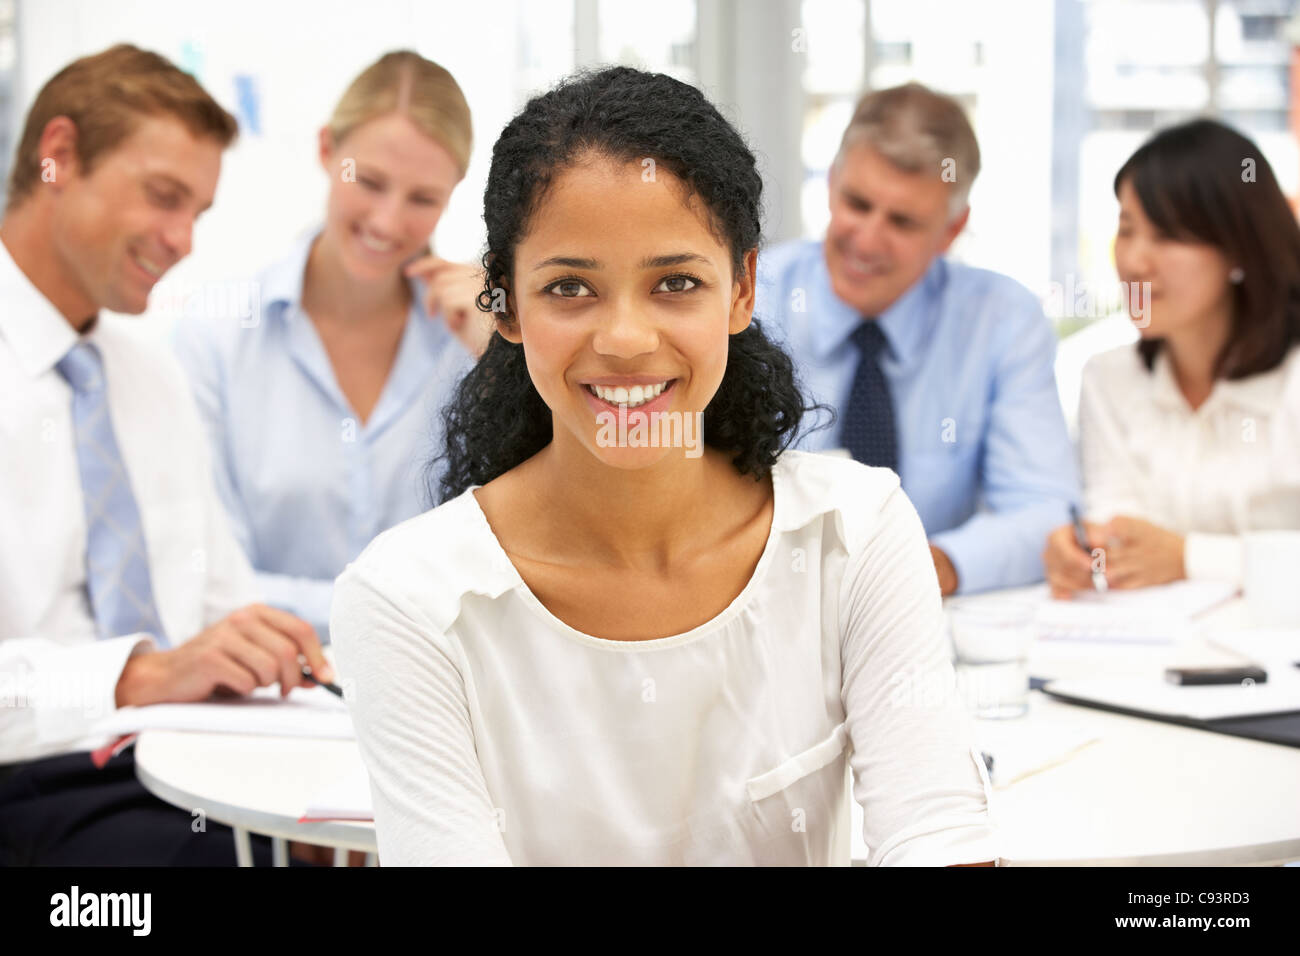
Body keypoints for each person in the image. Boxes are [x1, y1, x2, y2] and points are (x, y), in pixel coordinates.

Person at [331, 66, 996, 866]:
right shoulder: (408, 600)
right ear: (504, 304)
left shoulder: (855, 534)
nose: (626, 338)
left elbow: (936, 836)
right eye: (570, 287)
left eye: (675, 283)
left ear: (743, 289)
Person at [0, 45, 330, 865]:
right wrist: (137, 678)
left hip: (179, 768)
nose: (182, 240)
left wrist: (261, 653)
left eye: (199, 212)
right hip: (34, 777)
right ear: (60, 156)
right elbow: (154, 669)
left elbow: (221, 604)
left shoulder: (151, 375)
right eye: (163, 197)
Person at [172, 51, 486, 641]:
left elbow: (510, 566)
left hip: (441, 698)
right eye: (368, 183)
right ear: (325, 150)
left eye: (422, 199)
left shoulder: (473, 347)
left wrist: (503, 356)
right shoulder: (216, 338)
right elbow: (212, 580)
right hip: (263, 699)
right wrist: (397, 609)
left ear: (453, 193)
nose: (388, 222)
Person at [756, 83, 1079, 596]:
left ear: (952, 230)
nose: (867, 239)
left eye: (903, 222)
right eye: (857, 204)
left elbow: (1045, 509)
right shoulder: (750, 298)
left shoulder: (1001, 320)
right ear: (832, 183)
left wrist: (931, 567)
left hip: (925, 615)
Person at [1043, 120, 1300, 597]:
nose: (1136, 261)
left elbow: (1161, 556)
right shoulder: (1108, 378)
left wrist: (1187, 558)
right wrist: (1085, 555)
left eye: (1167, 236)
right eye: (1126, 229)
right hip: (1149, 656)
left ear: (1239, 248)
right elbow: (1119, 538)